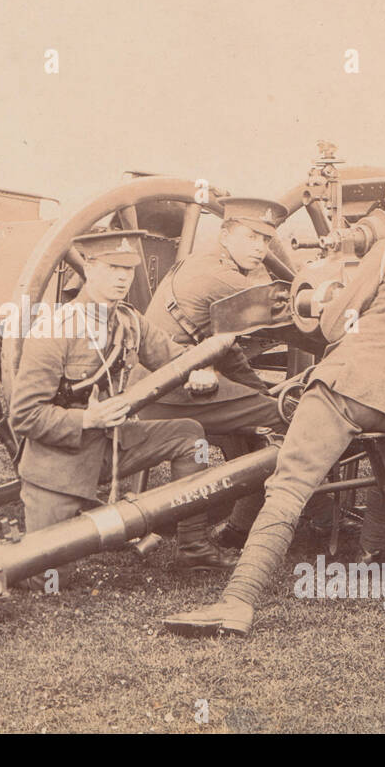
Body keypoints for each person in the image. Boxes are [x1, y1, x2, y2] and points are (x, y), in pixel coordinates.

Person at [162, 162, 385, 636]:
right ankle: (373, 553)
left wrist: (332, 303)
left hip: (347, 387)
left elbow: (333, 326)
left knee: (288, 486)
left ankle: (237, 602)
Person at [7, 229, 229, 583]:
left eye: (128, 270)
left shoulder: (129, 321)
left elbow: (178, 359)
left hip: (112, 447)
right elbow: (24, 416)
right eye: (113, 268)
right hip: (60, 463)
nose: (123, 278)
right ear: (89, 268)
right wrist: (87, 418)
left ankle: (193, 546)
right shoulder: (54, 330)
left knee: (191, 437)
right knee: (47, 578)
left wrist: (203, 370)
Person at [138, 197, 291, 544]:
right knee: (288, 419)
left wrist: (256, 390)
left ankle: (239, 528)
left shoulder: (202, 262)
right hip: (174, 390)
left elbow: (227, 347)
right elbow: (293, 316)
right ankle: (314, 516)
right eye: (251, 237)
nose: (261, 249)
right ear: (225, 234)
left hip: (156, 385)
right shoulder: (221, 276)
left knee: (256, 419)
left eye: (266, 240)